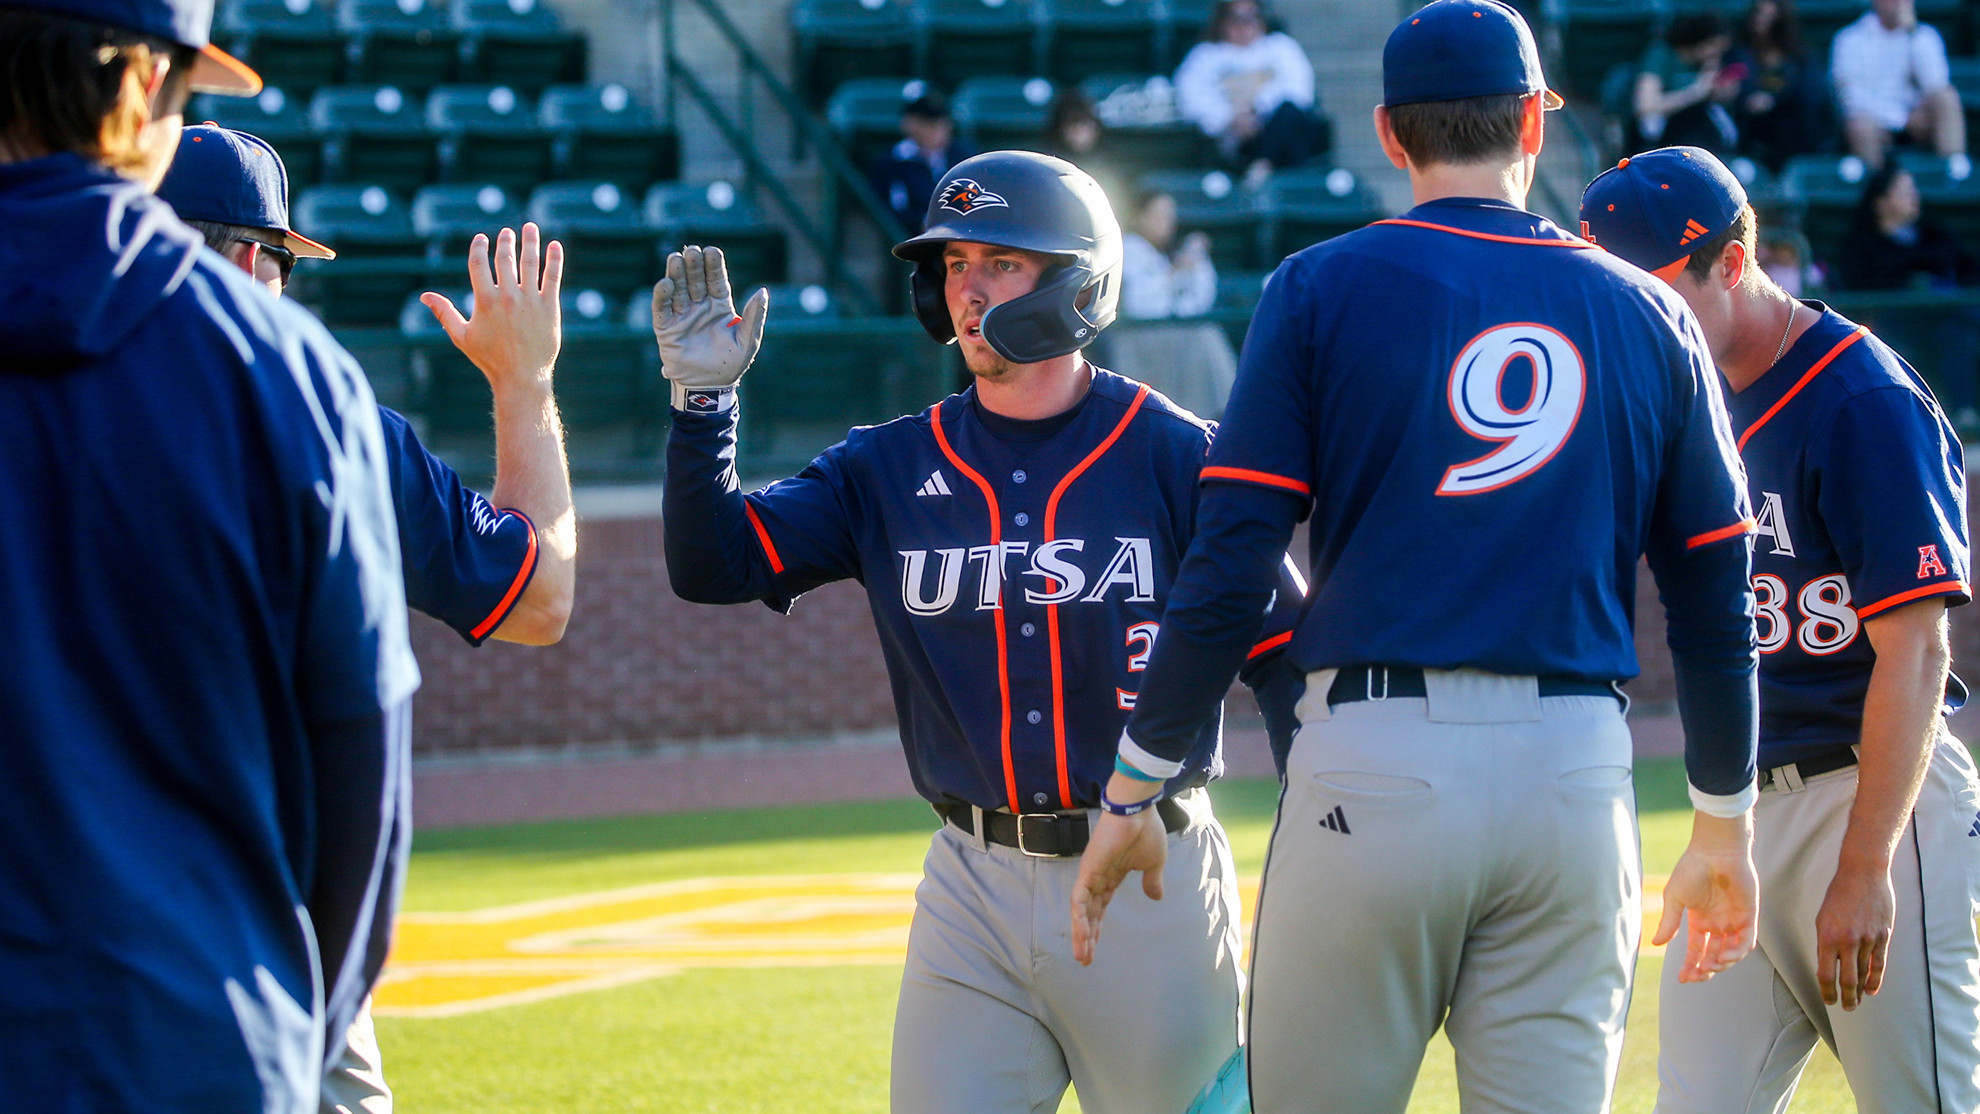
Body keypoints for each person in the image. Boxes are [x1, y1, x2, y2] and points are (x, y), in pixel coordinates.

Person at [1072, 4, 1765, 1112]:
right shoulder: (1653, 310)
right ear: (1535, 126)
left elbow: (1233, 560)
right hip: (1576, 769)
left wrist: (1136, 781)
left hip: (1375, 757)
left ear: (1390, 134)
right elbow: (1717, 598)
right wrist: (1724, 821)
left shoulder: (1318, 285)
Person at [656, 150, 1302, 1113]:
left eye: (1000, 262)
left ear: (1077, 280)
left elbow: (1287, 656)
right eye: (954, 263)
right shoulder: (884, 465)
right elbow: (714, 565)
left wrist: (1316, 836)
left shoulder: (1176, 453)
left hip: (1144, 873)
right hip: (967, 881)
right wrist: (704, 408)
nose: (967, 289)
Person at [0, 1, 415, 1109]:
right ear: (141, 93)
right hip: (201, 1039)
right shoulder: (290, 375)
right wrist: (295, 1031)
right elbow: (362, 791)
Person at [155, 121, 578, 1114]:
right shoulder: (326, 419)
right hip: (266, 910)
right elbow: (539, 597)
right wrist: (524, 383)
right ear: (257, 259)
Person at [1583, 144, 1980, 1114]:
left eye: (1661, 286)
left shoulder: (1860, 398)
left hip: (1876, 797)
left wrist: (1864, 866)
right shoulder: (1678, 401)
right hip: (1742, 818)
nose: (1643, 315)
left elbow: (1919, 650)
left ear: (1734, 256)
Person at [1837, 162, 1980, 425]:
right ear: (1881, 203)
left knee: (1959, 330)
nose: (1914, 198)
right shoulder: (1862, 246)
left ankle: (1966, 414)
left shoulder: (1935, 236)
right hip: (1895, 326)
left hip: (1949, 320)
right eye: (1904, 192)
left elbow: (1968, 270)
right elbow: (1861, 295)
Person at [1109, 188, 1237, 418]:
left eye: (1170, 217)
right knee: (1204, 336)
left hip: (1167, 333)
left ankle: (1221, 413)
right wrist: (1175, 271)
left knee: (1205, 331)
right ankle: (1231, 410)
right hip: (1137, 336)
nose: (1167, 223)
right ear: (1141, 217)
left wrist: (1197, 262)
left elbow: (1198, 304)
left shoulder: (1165, 253)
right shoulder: (1128, 248)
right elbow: (1141, 306)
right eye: (1159, 216)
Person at [1173, 0, 1329, 176]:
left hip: (1275, 132)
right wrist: (1231, 119)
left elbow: (1300, 91)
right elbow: (1190, 98)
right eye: (1236, 18)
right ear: (1222, 21)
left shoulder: (1280, 47)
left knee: (1290, 113)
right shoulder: (1204, 55)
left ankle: (1262, 168)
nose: (1244, 24)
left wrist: (1256, 110)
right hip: (1231, 140)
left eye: (1251, 17)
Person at [1832, 0, 1967, 175]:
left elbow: (1936, 84)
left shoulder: (1924, 35)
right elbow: (1852, 100)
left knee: (1946, 97)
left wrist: (1912, 35)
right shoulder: (1849, 39)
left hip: (1920, 124)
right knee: (1859, 125)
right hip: (1877, 126)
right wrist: (1902, 120)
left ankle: (1954, 176)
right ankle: (1880, 189)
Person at [1729, 0, 1830, 171]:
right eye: (1759, 15)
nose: (1762, 22)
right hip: (1751, 125)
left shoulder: (1799, 59)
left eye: (1769, 17)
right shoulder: (1740, 54)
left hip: (1790, 126)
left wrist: (1774, 99)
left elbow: (1803, 92)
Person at [1634, 12, 1742, 156]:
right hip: (1665, 136)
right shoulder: (1662, 56)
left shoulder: (1708, 64)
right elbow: (1645, 107)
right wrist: (1695, 93)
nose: (1715, 54)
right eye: (1712, 46)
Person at [869, 91, 972, 238]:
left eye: (940, 122)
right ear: (910, 125)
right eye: (927, 123)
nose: (935, 129)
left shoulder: (964, 156)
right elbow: (887, 212)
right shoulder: (891, 162)